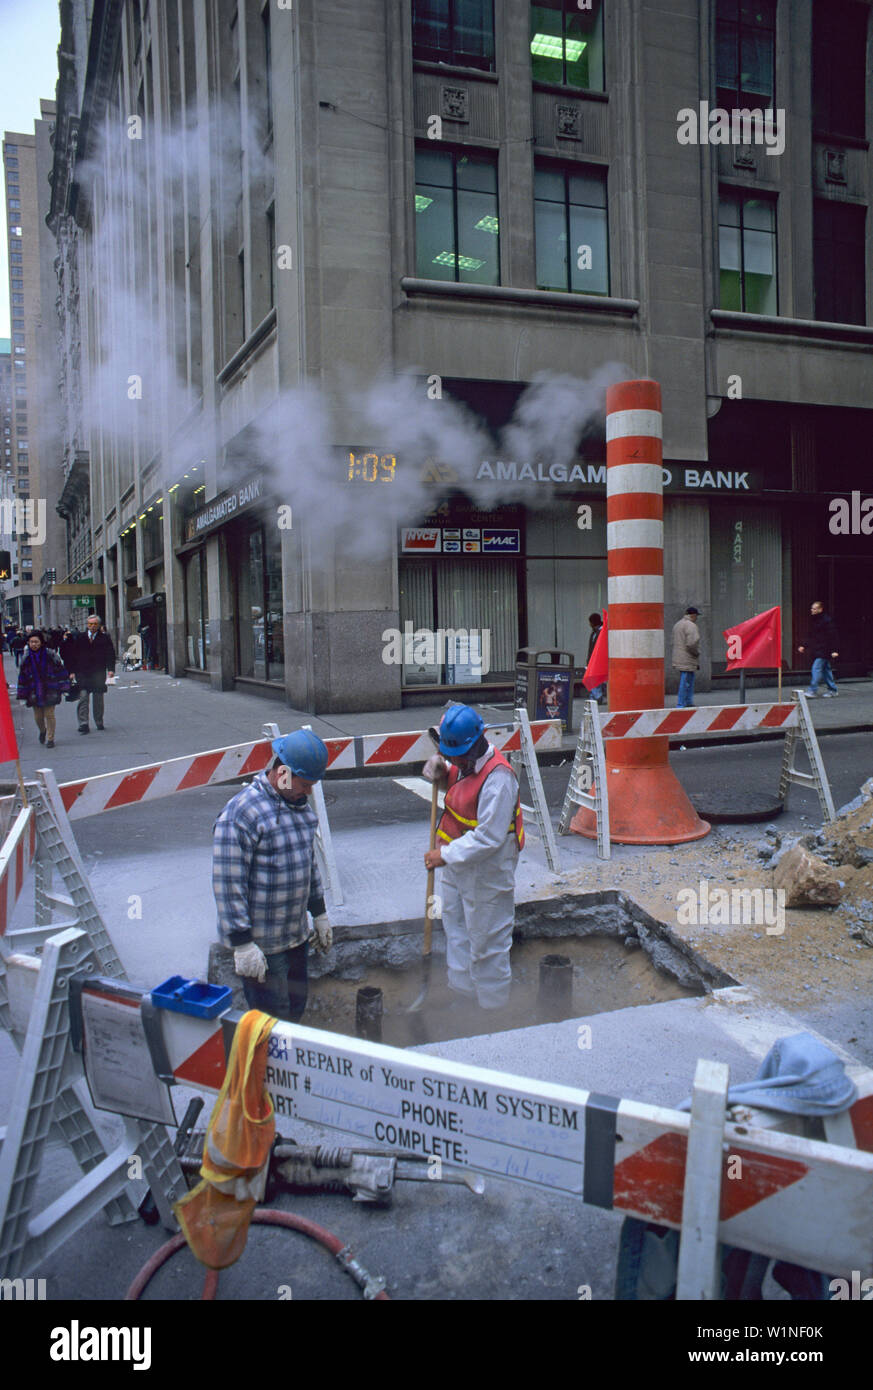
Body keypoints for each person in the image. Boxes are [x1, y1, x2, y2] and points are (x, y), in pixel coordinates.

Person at [212, 728, 333, 1022]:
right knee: (272, 1023)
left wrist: (319, 913)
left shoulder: (303, 812)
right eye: (305, 784)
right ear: (283, 772)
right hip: (263, 947)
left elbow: (308, 864)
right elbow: (228, 883)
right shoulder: (242, 814)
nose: (308, 792)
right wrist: (242, 944)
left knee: (295, 1010)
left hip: (295, 938)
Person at [422, 704, 524, 1012]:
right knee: (456, 931)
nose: (452, 760)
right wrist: (439, 772)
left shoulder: (499, 779)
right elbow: (457, 786)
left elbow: (489, 838)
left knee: (487, 941)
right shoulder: (463, 762)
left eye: (455, 755)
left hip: (487, 869)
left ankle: (492, 1009)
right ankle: (462, 996)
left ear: (473, 745)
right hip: (458, 863)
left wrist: (444, 855)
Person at [16, 629, 71, 749]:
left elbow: (60, 671)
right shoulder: (26, 658)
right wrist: (22, 694)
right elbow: (22, 677)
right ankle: (42, 731)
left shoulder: (50, 655)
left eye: (36, 642)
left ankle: (51, 738)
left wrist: (64, 687)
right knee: (38, 717)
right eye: (31, 642)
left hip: (50, 688)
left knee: (49, 714)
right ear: (28, 643)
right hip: (34, 690)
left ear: (41, 642)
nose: (34, 644)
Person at [66, 613, 116, 733]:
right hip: (82, 672)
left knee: (98, 698)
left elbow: (110, 654)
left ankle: (99, 721)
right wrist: (71, 671)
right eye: (90, 624)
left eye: (95, 624)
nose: (92, 626)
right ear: (87, 625)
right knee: (83, 697)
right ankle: (83, 723)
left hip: (98, 672)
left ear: (99, 625)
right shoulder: (80, 637)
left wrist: (111, 670)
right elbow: (72, 655)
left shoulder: (104, 638)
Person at [798, 601, 839, 698]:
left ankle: (812, 690)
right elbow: (811, 635)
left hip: (824, 649)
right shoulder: (816, 620)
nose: (812, 610)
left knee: (816, 668)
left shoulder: (826, 621)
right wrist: (804, 645)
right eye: (812, 608)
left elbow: (833, 636)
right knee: (826, 670)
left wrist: (834, 650)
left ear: (820, 609)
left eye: (814, 608)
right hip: (819, 649)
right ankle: (832, 690)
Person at [672, 606, 701, 708]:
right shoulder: (691, 626)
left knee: (685, 680)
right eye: (696, 615)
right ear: (693, 615)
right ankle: (682, 703)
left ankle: (685, 702)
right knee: (686, 681)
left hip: (679, 657)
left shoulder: (677, 624)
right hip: (688, 657)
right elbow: (691, 644)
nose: (697, 618)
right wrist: (696, 653)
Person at [585, 611, 606, 702]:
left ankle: (597, 697)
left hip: (598, 661)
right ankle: (596, 696)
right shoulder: (594, 632)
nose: (589, 624)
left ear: (593, 622)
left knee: (594, 679)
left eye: (590, 622)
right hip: (593, 660)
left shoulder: (601, 632)